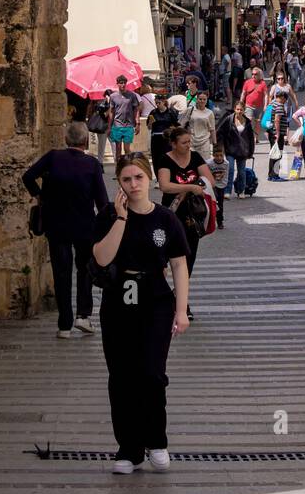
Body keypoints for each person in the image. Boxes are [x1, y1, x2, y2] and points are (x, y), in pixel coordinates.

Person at [92, 153, 190, 473]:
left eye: (138, 178)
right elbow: (103, 258)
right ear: (118, 183)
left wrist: (181, 311)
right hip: (118, 301)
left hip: (155, 301)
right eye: (126, 179)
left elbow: (178, 264)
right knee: (121, 376)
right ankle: (129, 448)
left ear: (149, 179)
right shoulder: (110, 214)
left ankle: (156, 441)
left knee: (151, 373)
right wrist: (121, 217)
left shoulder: (165, 219)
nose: (133, 185)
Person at [23, 121, 108, 338]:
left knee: (61, 272)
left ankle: (64, 325)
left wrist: (40, 195)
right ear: (86, 140)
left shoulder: (53, 157)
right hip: (85, 226)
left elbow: (28, 176)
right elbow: (102, 202)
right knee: (85, 269)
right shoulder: (92, 165)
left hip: (56, 225)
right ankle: (83, 316)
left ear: (66, 140)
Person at [157, 125, 216, 315]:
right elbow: (165, 186)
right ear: (173, 144)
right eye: (184, 143)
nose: (188, 146)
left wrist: (193, 186)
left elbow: (209, 180)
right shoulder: (165, 160)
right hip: (171, 216)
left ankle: (180, 300)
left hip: (193, 217)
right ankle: (164, 296)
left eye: (189, 142)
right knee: (163, 258)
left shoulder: (195, 157)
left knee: (188, 259)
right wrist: (190, 187)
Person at [216, 99, 256, 198]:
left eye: (241, 110)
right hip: (230, 149)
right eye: (237, 109)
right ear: (234, 109)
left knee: (241, 172)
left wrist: (251, 152)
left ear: (244, 110)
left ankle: (241, 190)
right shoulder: (229, 119)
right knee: (230, 170)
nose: (239, 112)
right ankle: (227, 191)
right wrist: (220, 146)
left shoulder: (247, 122)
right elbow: (219, 132)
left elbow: (251, 138)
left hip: (243, 151)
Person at [267, 69, 298, 181]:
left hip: (273, 133)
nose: (285, 102)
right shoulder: (279, 105)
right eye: (285, 100)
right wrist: (278, 134)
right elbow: (277, 120)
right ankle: (274, 175)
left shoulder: (274, 103)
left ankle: (271, 175)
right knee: (277, 154)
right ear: (283, 98)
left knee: (273, 154)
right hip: (276, 134)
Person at [109, 75, 141, 165]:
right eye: (121, 83)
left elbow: (136, 109)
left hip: (129, 125)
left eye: (124, 83)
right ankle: (118, 169)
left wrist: (138, 123)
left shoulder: (132, 95)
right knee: (118, 149)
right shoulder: (113, 96)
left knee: (127, 148)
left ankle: (129, 166)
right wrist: (109, 126)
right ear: (117, 84)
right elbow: (111, 111)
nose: (123, 85)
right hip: (117, 125)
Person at [147, 90, 180, 176]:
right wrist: (150, 122)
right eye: (156, 103)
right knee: (156, 158)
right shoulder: (153, 113)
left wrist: (171, 130)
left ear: (164, 102)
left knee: (167, 157)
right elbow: (149, 127)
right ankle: (159, 178)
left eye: (159, 103)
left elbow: (177, 125)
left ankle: (168, 175)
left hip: (167, 139)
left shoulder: (171, 112)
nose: (157, 105)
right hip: (155, 139)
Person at [182, 89, 216, 158]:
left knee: (204, 164)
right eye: (200, 99)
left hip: (204, 142)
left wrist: (215, 144)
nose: (202, 101)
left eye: (204, 99)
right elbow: (182, 124)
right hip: (191, 142)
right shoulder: (190, 110)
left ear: (207, 100)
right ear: (197, 99)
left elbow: (212, 129)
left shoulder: (210, 113)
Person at [240, 67, 268, 143]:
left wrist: (265, 105)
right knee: (248, 121)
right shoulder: (247, 82)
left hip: (259, 107)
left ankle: (256, 137)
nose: (253, 76)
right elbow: (243, 93)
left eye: (255, 74)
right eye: (252, 74)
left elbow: (266, 95)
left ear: (259, 75)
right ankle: (248, 136)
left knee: (257, 122)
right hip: (249, 105)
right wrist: (241, 102)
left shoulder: (263, 84)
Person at [87, 89, 112, 166]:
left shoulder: (114, 103)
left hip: (111, 127)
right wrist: (108, 105)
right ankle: (100, 163)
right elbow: (104, 115)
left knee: (113, 145)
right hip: (103, 127)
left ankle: (117, 162)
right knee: (102, 145)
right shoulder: (101, 104)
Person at [209, 143, 227, 229]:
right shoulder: (209, 163)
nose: (219, 158)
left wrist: (224, 185)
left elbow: (226, 176)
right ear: (213, 155)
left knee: (220, 204)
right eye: (217, 156)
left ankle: (220, 221)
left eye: (221, 155)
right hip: (212, 186)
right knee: (213, 203)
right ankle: (211, 220)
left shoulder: (226, 164)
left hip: (222, 186)